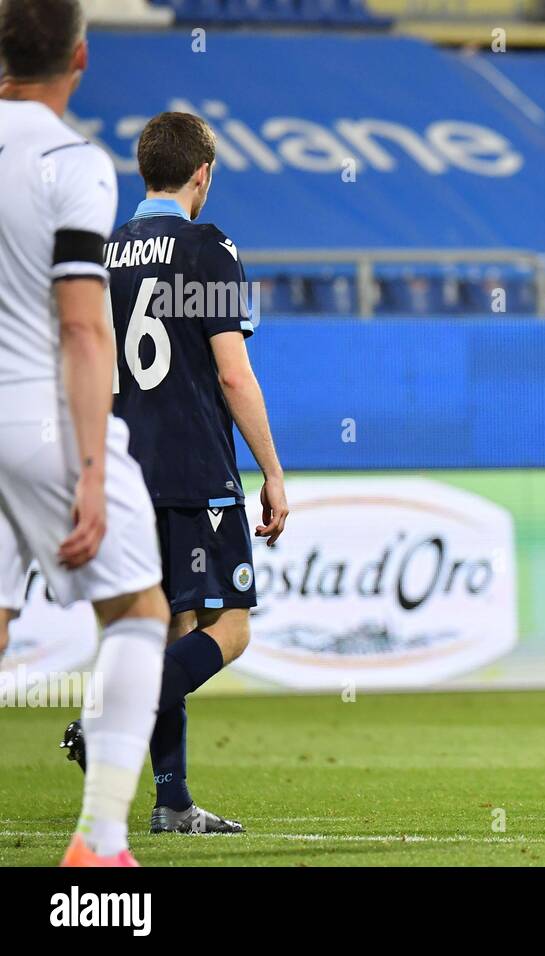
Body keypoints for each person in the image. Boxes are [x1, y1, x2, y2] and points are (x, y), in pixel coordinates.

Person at [61, 111, 289, 836]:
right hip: (195, 470)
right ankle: (105, 723)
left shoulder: (104, 250)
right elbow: (233, 374)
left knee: (169, 628)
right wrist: (274, 474)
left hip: (126, 472)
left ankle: (173, 801)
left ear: (143, 170)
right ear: (203, 175)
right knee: (230, 629)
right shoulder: (208, 247)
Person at [0, 0, 169, 866]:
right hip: (36, 418)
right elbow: (81, 327)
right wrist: (94, 469)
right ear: (81, 57)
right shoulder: (74, 163)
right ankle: (100, 842)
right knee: (140, 609)